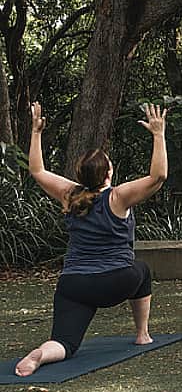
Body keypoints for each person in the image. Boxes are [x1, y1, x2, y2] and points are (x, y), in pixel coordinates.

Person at [16, 102, 168, 376]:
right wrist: (158, 135)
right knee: (143, 270)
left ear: (81, 175)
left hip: (74, 285)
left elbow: (37, 172)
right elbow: (158, 176)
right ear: (109, 173)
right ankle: (142, 334)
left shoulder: (70, 195)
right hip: (117, 280)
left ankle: (41, 353)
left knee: (65, 342)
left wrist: (36, 133)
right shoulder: (118, 197)